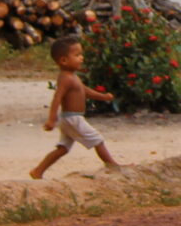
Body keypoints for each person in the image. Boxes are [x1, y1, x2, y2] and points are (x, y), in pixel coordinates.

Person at [31, 34, 120, 178]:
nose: (81, 58)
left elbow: (85, 91)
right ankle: (112, 165)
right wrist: (51, 119)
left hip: (70, 119)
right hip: (73, 119)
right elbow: (57, 98)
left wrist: (103, 97)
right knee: (98, 139)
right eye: (77, 55)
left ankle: (38, 171)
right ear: (64, 60)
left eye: (81, 54)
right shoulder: (66, 78)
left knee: (63, 148)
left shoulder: (72, 76)